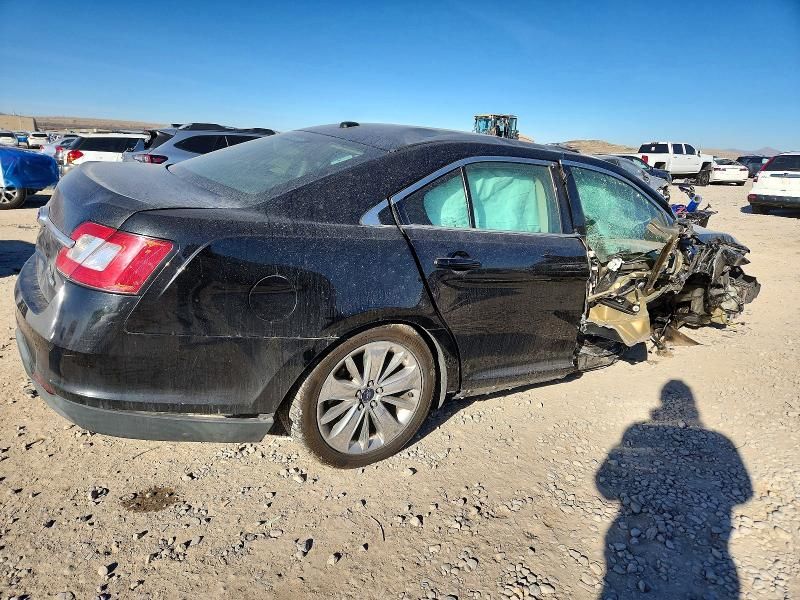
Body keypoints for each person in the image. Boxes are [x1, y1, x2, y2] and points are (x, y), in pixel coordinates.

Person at [596, 380, 752, 599]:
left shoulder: (636, 431)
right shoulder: (720, 440)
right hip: (710, 551)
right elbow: (745, 493)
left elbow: (605, 487)